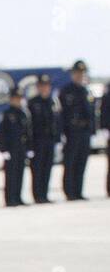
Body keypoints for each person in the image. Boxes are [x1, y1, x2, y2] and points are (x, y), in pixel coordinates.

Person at [58, 59, 94, 200]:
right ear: (72, 74)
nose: (80, 76)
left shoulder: (85, 91)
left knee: (81, 163)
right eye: (77, 73)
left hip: (84, 133)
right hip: (71, 133)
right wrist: (62, 133)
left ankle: (78, 191)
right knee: (70, 163)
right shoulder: (66, 91)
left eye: (82, 73)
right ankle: (69, 192)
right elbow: (61, 115)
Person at [0, 85, 31, 207]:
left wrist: (29, 148)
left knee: (20, 174)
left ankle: (18, 197)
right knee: (10, 175)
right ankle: (10, 199)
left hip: (21, 148)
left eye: (19, 98)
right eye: (15, 98)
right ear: (11, 99)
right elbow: (2, 133)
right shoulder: (7, 114)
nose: (18, 100)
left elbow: (27, 132)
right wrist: (3, 149)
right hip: (10, 149)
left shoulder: (23, 113)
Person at [27, 74, 57, 203]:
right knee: (37, 169)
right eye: (42, 86)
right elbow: (29, 125)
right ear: (38, 87)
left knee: (47, 168)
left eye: (46, 86)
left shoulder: (52, 102)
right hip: (37, 141)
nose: (44, 88)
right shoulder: (33, 103)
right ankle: (37, 195)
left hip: (50, 140)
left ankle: (44, 194)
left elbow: (57, 121)